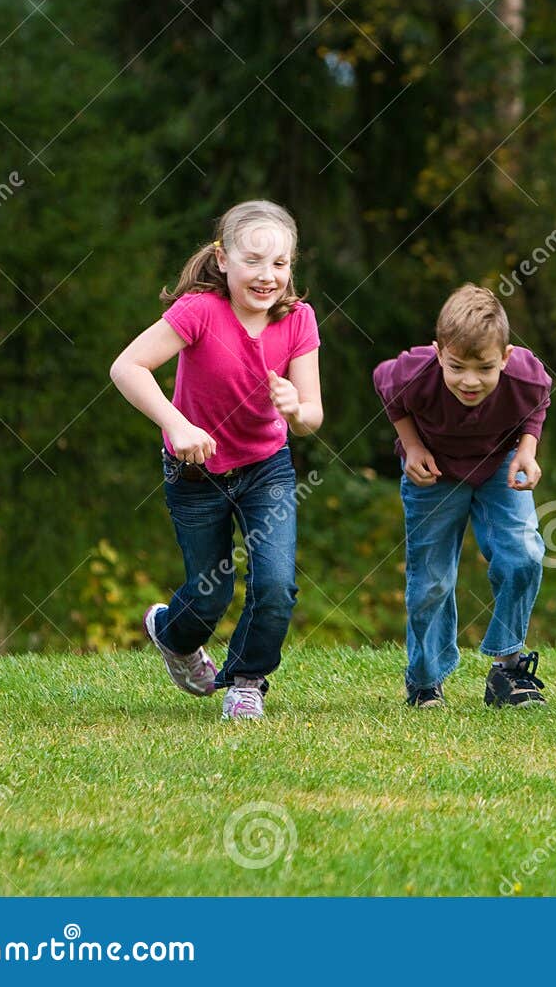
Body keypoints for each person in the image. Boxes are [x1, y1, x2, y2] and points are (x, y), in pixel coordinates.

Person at [110, 200, 323, 720]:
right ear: (222, 260)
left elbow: (312, 415)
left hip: (266, 468)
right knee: (210, 595)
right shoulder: (199, 312)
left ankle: (248, 680)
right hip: (195, 473)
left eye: (280, 263)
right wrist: (178, 425)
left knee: (275, 582)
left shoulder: (298, 321)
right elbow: (127, 367)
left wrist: (296, 410)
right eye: (253, 261)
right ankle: (171, 633)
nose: (267, 276)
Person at [373, 284, 552, 709]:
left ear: (506, 357)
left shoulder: (525, 374)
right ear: (438, 353)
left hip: (498, 467)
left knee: (523, 554)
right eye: (456, 367)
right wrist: (411, 447)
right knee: (431, 579)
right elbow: (385, 386)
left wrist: (527, 451)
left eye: (485, 368)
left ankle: (507, 670)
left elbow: (538, 402)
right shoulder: (413, 372)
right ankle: (425, 679)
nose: (469, 381)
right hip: (434, 473)